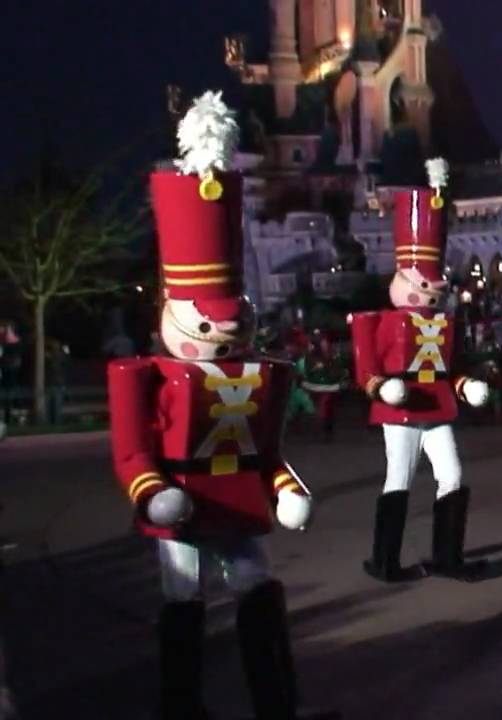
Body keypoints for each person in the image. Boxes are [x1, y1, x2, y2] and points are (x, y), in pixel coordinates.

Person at [106, 92, 332, 719]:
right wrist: (152, 491)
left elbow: (264, 448)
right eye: (211, 324)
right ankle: (182, 710)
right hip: (181, 499)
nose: (225, 336)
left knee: (259, 590)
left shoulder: (260, 372)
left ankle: (276, 705)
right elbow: (132, 451)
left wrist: (286, 487)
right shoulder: (147, 374)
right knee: (184, 597)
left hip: (237, 501)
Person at [349, 158, 494, 583]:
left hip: (438, 403)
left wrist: (466, 385)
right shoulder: (383, 321)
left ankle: (448, 555)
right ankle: (386, 559)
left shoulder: (445, 324)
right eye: (420, 282)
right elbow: (367, 370)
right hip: (402, 407)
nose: (429, 292)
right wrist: (382, 388)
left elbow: (451, 367)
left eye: (434, 284)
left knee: (452, 473)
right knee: (400, 475)